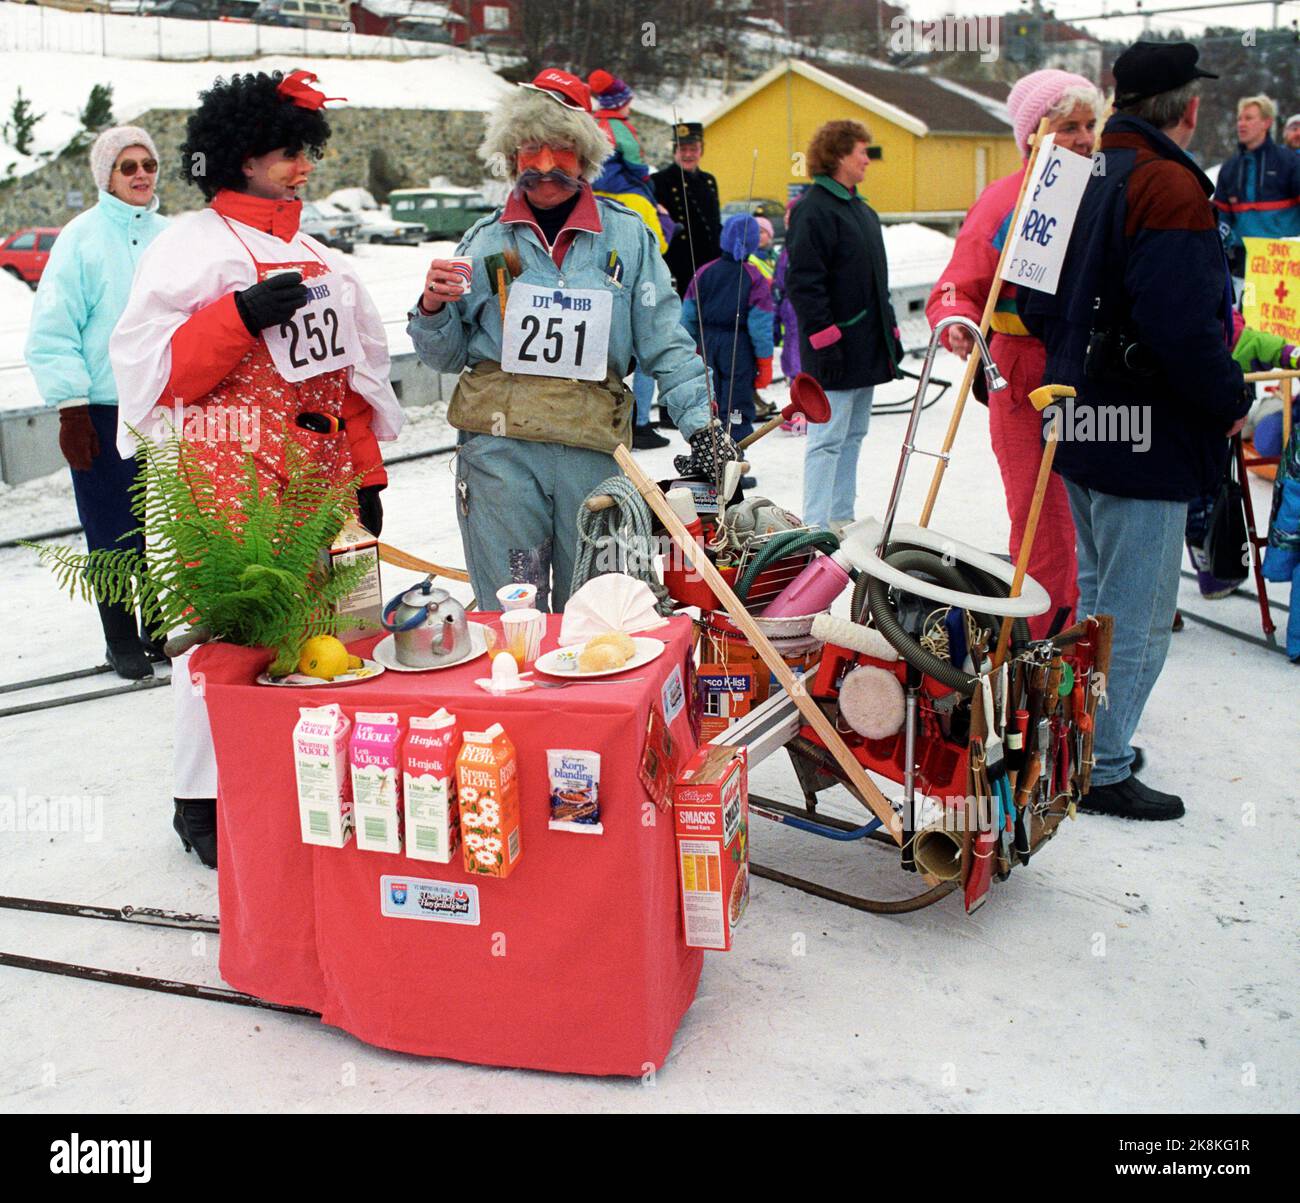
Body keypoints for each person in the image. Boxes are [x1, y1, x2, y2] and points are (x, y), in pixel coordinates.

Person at [111, 70, 404, 868]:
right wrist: (235, 317)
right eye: (285, 154)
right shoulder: (189, 247)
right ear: (241, 158)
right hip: (224, 473)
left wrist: (365, 476)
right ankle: (202, 798)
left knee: (320, 632)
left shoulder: (320, 257)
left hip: (314, 476)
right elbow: (151, 373)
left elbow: (348, 384)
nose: (302, 167)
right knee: (225, 643)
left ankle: (293, 784)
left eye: (305, 152)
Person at [1020, 41, 1251, 821]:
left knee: (1099, 595)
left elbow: (1033, 298)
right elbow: (1183, 325)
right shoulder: (1167, 184)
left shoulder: (1078, 171)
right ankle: (1101, 759)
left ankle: (1081, 737)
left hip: (1079, 417)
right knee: (1138, 609)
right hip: (1141, 433)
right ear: (1188, 106)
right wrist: (1229, 395)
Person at [408, 69, 732, 614]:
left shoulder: (626, 236)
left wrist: (703, 426)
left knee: (598, 609)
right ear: (511, 156)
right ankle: (515, 700)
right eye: (529, 149)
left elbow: (664, 342)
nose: (544, 166)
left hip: (591, 449)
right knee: (515, 610)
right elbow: (443, 356)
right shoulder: (486, 242)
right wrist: (432, 308)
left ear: (584, 157)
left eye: (561, 149)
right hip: (501, 453)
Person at [927, 69, 1100, 639]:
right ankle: (1048, 637)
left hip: (1097, 376)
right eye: (1067, 126)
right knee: (1042, 521)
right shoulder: (1007, 198)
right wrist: (955, 322)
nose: (1082, 138)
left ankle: (1095, 623)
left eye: (1090, 125)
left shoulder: (1105, 191)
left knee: (1097, 512)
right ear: (1034, 135)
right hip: (1024, 375)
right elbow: (957, 286)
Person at [25, 126, 169, 680]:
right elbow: (54, 329)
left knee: (158, 525)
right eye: (127, 166)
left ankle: (157, 630)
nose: (140, 175)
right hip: (102, 412)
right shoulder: (81, 238)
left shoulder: (168, 236)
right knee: (110, 529)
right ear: (105, 176)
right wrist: (70, 408)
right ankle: (120, 637)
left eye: (148, 165)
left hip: (160, 408)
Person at [784, 119, 901, 533]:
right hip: (834, 349)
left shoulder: (861, 210)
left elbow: (876, 281)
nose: (867, 160)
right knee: (827, 439)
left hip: (866, 345)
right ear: (837, 156)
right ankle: (816, 524)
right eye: (861, 153)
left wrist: (890, 332)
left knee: (854, 433)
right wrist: (824, 338)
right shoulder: (813, 210)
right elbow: (803, 283)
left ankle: (840, 514)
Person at [586, 68, 672, 450]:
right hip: (632, 207)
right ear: (621, 101)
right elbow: (637, 165)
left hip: (601, 272)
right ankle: (638, 421)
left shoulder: (588, 126)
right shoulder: (618, 128)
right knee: (643, 344)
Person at [680, 213, 774, 454]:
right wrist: (765, 361)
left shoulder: (703, 273)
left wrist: (691, 350)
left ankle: (708, 457)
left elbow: (687, 316)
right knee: (737, 402)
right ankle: (734, 457)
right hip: (738, 347)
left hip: (707, 345)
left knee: (709, 401)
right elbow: (760, 326)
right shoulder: (755, 278)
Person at [1213, 95, 1300, 287]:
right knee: (1245, 316)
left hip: (1284, 265)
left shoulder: (1290, 162)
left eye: (1249, 118)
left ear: (1266, 122)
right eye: (1239, 118)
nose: (1241, 124)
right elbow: (1221, 219)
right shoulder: (1229, 168)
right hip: (1242, 265)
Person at [651, 122, 722, 298]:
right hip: (677, 264)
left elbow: (714, 224)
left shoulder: (709, 181)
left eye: (694, 149)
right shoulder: (659, 181)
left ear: (701, 151)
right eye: (683, 149)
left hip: (710, 262)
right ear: (675, 151)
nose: (688, 154)